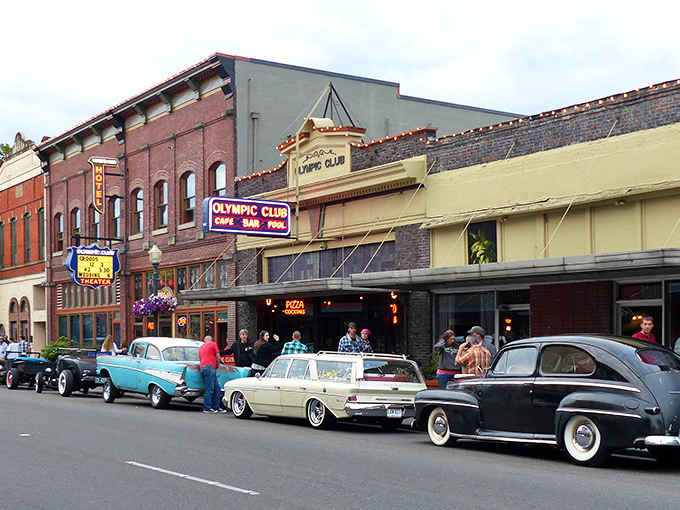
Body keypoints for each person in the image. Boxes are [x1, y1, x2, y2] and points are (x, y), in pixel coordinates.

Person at [198, 335, 226, 414]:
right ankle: (207, 407)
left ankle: (216, 407)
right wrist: (219, 364)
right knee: (210, 388)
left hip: (203, 367)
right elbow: (218, 356)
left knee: (216, 388)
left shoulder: (201, 348)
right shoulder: (213, 344)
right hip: (210, 367)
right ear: (211, 340)